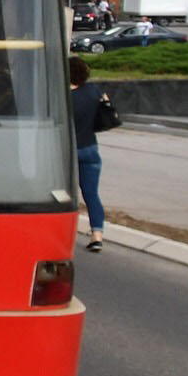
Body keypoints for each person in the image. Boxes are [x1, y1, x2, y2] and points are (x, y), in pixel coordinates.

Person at [70, 55, 117, 252]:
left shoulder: (61, 97)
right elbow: (106, 105)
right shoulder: (93, 91)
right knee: (91, 194)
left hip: (67, 151)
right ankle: (97, 235)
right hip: (90, 148)